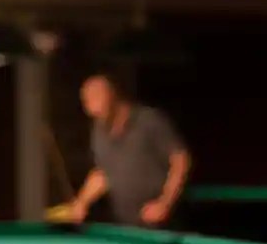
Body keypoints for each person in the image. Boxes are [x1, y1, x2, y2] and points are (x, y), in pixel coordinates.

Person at [68, 73, 191, 228]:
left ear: (112, 94)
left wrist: (164, 203)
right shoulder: (99, 131)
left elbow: (180, 160)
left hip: (161, 225)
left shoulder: (148, 121)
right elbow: (102, 174)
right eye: (86, 102)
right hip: (126, 226)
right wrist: (81, 202)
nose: (91, 109)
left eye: (96, 97)